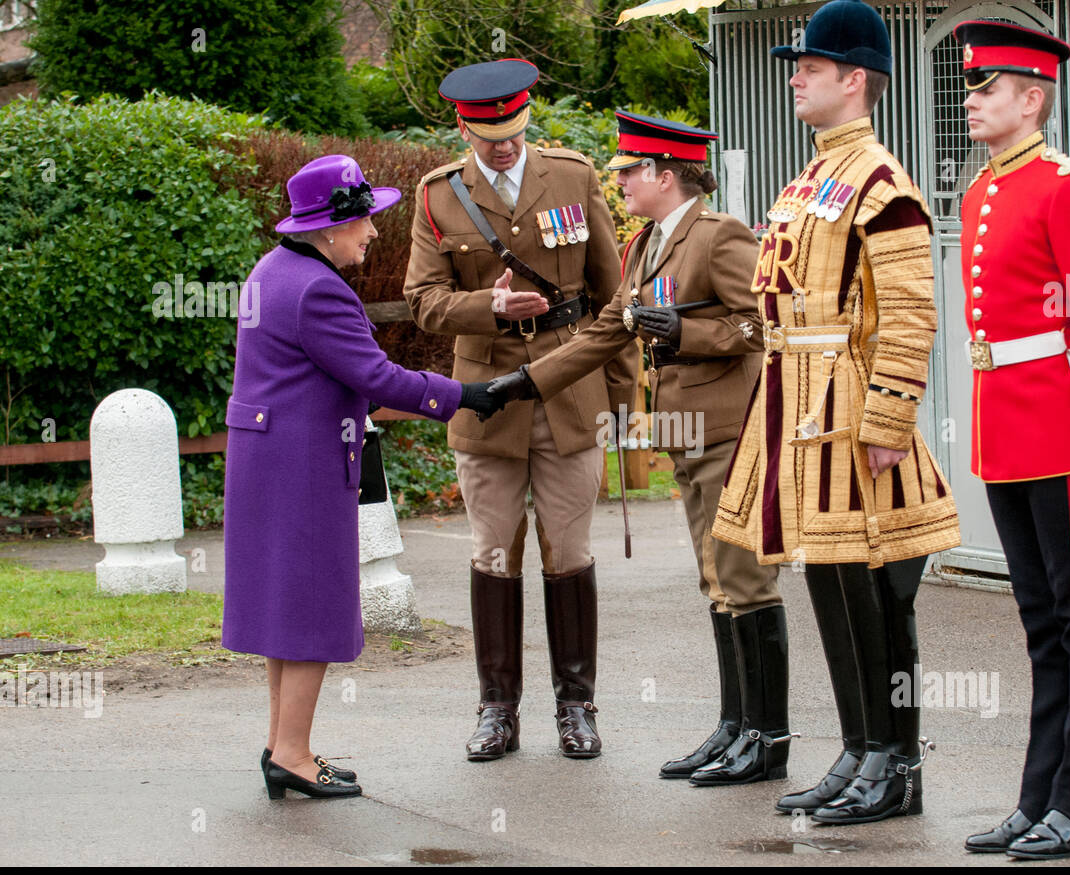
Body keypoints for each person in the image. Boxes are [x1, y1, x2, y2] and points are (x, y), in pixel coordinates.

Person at [710, 0, 962, 823]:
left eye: (810, 68)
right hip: (797, 399)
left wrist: (889, 419)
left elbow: (912, 312)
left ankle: (897, 763)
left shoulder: (882, 182)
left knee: (878, 592)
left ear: (854, 81)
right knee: (829, 580)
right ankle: (859, 750)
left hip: (850, 405)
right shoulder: (813, 176)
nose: (795, 77)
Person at [487, 111, 788, 785]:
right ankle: (734, 727)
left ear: (665, 174)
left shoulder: (719, 236)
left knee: (743, 579)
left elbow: (762, 325)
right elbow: (604, 333)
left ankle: (768, 740)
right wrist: (520, 384)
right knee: (716, 580)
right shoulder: (645, 243)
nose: (619, 180)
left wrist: (684, 333)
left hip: (731, 432)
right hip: (687, 435)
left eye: (629, 171)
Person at [222, 154, 500, 800]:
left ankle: (283, 747)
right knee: (312, 610)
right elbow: (377, 379)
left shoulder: (271, 271)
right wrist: (467, 394)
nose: (374, 233)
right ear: (329, 230)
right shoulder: (318, 289)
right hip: (302, 469)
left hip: (267, 461)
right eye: (365, 222)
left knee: (284, 614)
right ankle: (291, 753)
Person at [953, 20, 1070, 860]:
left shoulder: (1068, 187)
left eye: (986, 87)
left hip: (1069, 435)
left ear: (1032, 99)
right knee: (1040, 623)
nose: (970, 98)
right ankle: (1039, 800)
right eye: (970, 85)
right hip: (1009, 430)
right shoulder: (978, 191)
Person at [403, 59, 631, 761]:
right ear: (462, 126)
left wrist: (621, 402)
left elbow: (613, 299)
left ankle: (577, 706)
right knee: (494, 551)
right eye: (487, 133)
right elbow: (423, 300)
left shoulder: (573, 175)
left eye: (512, 130)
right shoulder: (439, 195)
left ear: (527, 117)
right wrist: (489, 307)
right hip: (487, 397)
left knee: (570, 552)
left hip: (568, 394)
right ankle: (497, 709)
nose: (502, 145)